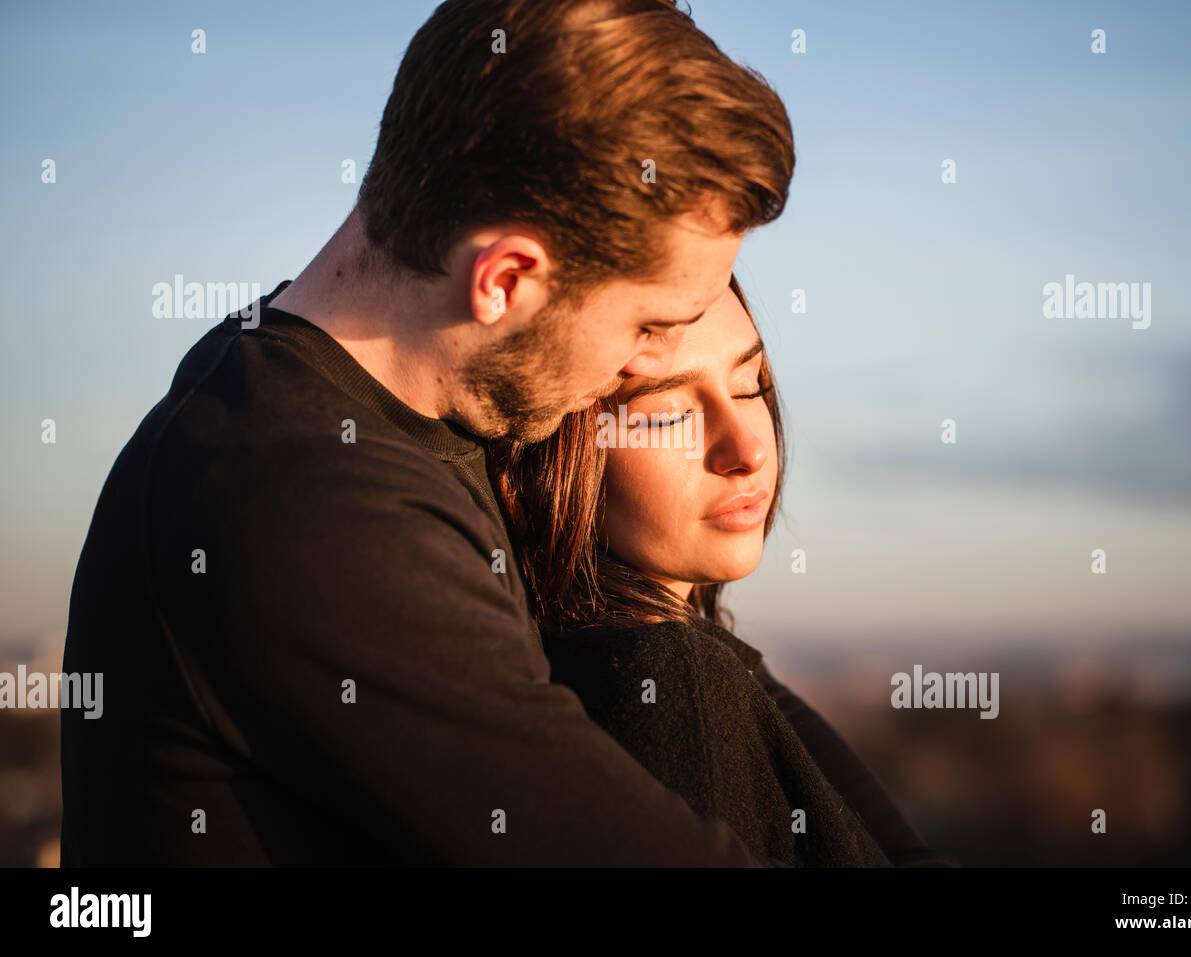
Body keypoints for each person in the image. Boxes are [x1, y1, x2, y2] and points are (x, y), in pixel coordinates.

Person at [60, 0, 796, 865]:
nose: (646, 362)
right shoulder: (307, 509)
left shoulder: (388, 398)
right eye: (649, 325)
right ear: (506, 279)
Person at [489, 276, 956, 866]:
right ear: (541, 463)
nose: (747, 450)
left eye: (748, 384)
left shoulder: (684, 657)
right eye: (665, 417)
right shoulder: (667, 677)